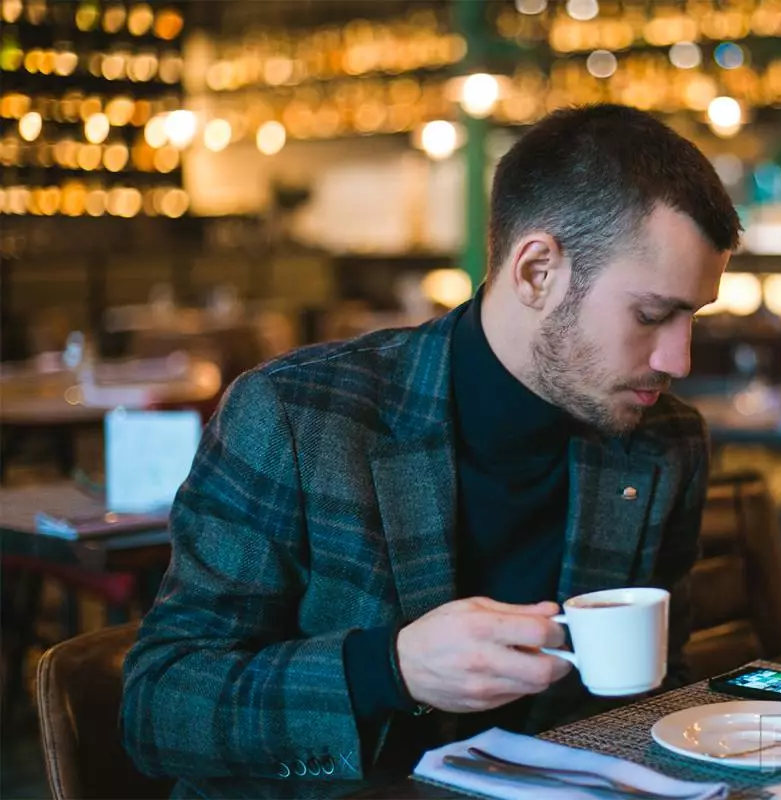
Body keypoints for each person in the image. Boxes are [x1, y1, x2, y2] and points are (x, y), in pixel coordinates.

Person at [121, 103, 741, 797]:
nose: (679, 357)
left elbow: (659, 678)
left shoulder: (663, 443)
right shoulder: (298, 417)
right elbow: (159, 706)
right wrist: (389, 669)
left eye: (693, 316)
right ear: (537, 271)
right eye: (652, 315)